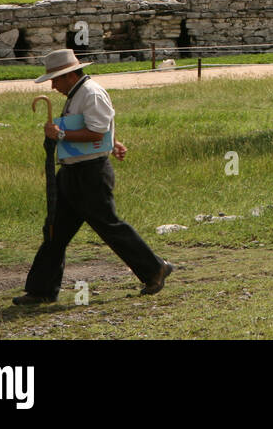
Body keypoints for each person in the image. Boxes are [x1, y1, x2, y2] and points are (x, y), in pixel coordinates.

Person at [14, 49, 172, 305]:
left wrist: (60, 135)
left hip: (90, 175)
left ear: (69, 75)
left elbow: (96, 133)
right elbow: (96, 128)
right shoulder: (79, 93)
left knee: (109, 226)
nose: (53, 86)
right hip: (73, 173)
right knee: (55, 230)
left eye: (55, 79)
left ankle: (155, 268)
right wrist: (114, 141)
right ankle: (42, 289)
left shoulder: (91, 93)